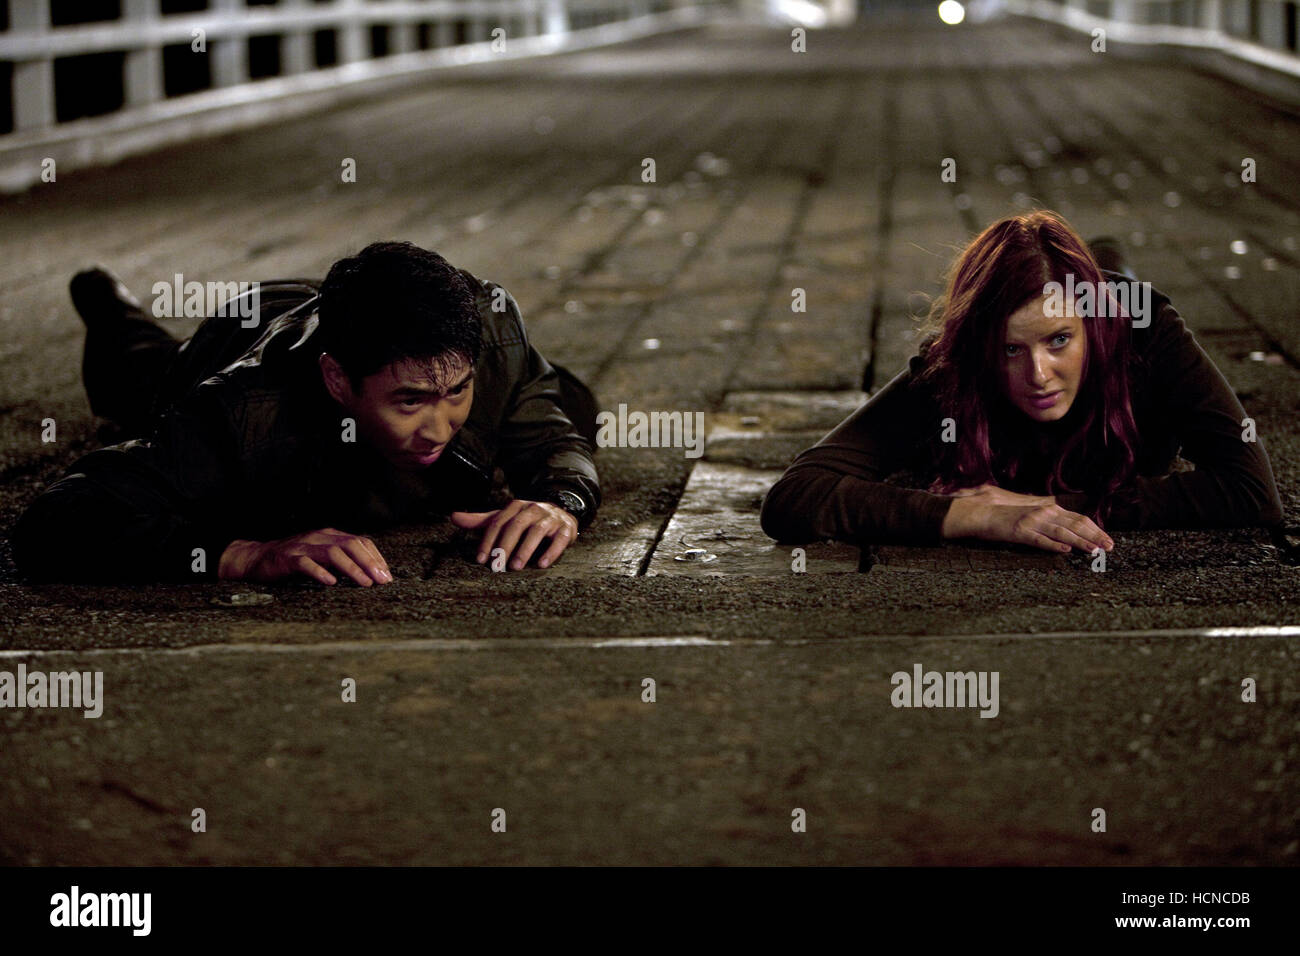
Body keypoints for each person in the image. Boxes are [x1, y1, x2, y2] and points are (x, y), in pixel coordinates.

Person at [12, 241, 600, 585]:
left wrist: (559, 503)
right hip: (237, 333)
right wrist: (245, 554)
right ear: (338, 381)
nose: (439, 427)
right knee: (137, 375)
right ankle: (110, 305)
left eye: (457, 394)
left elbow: (555, 442)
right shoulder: (241, 411)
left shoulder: (491, 337)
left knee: (577, 403)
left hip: (347, 311)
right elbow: (56, 522)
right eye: (410, 401)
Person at [760, 210, 1283, 553]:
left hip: (1115, 303)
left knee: (1112, 271)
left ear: (1092, 327)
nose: (1038, 376)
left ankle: (1107, 258)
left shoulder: (1145, 331)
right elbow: (796, 497)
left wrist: (1049, 505)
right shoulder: (954, 365)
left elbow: (1251, 490)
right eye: (1011, 349)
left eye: (1059, 340)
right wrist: (975, 516)